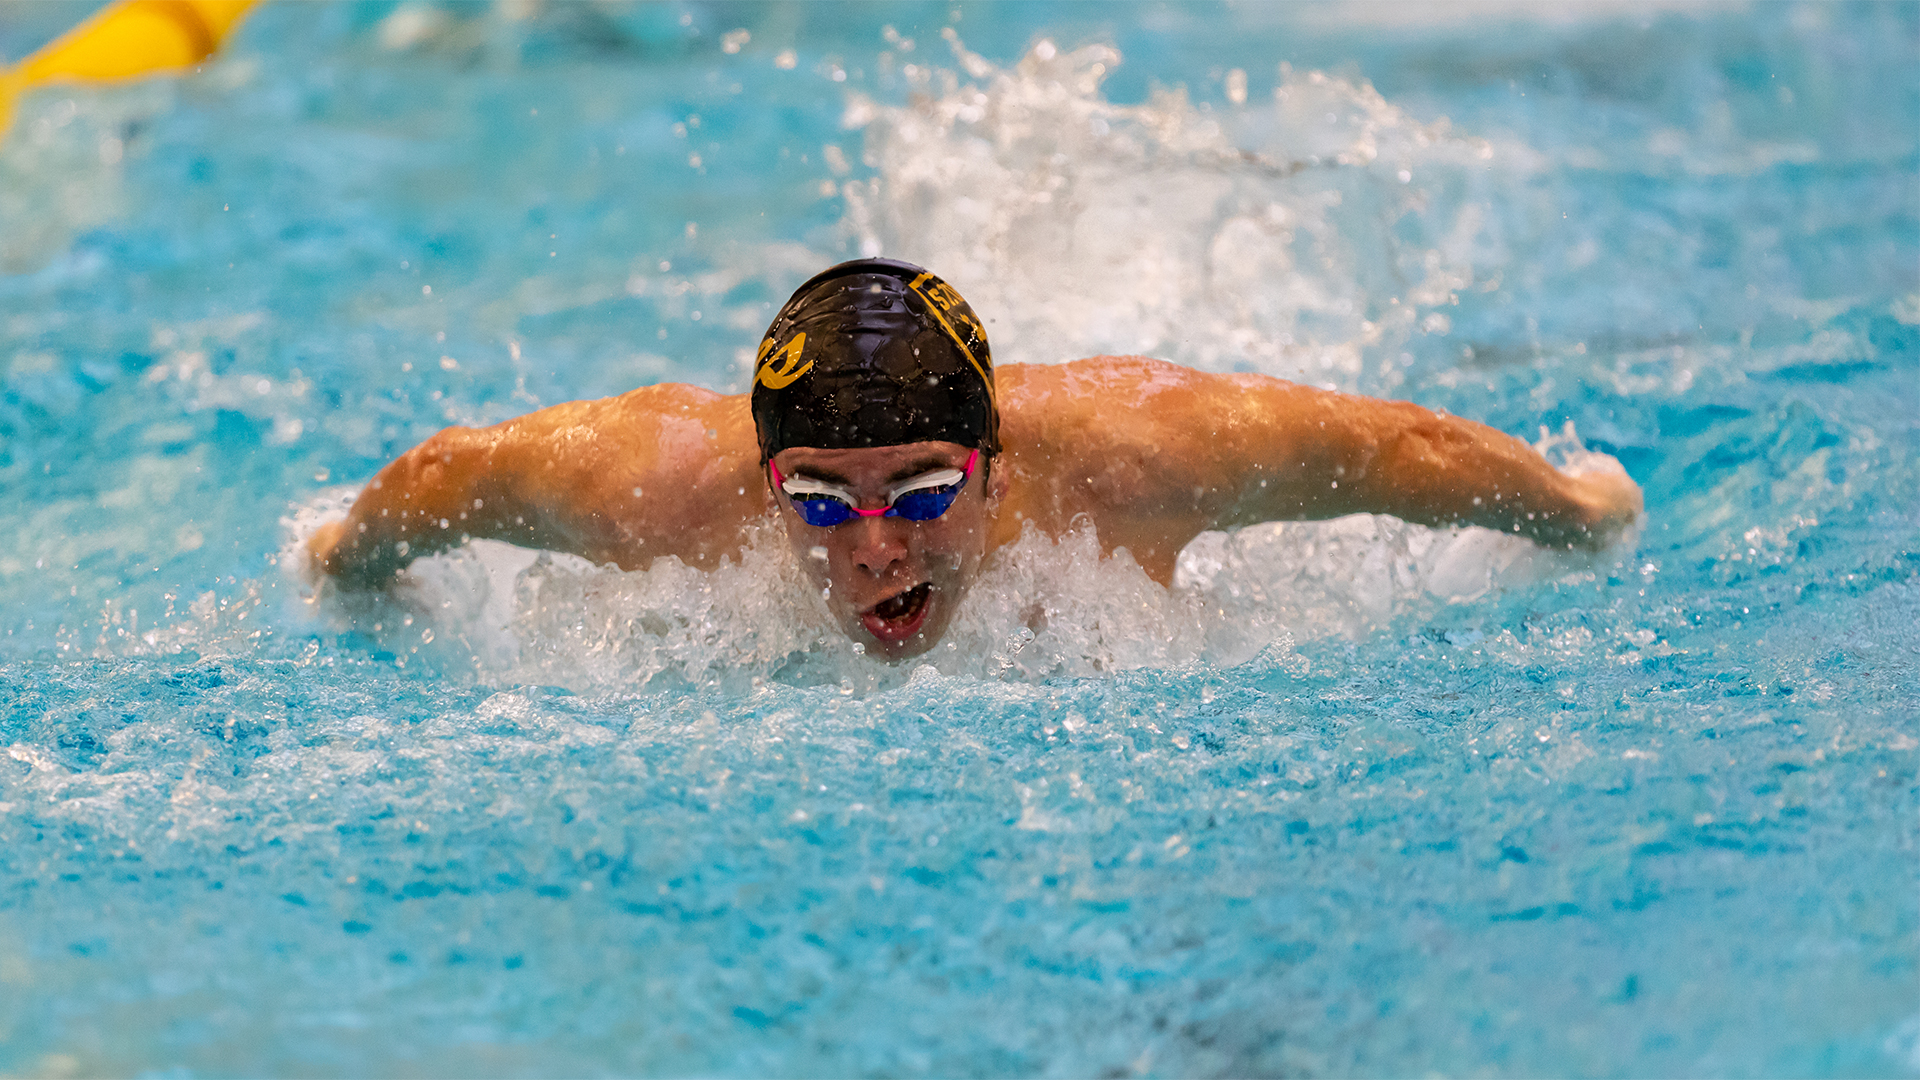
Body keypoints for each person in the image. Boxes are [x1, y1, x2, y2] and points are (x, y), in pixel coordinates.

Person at [307, 258, 1643, 659]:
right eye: (819, 500)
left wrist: (1579, 515)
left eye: (925, 491)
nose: (876, 546)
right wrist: (345, 559)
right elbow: (442, 481)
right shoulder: (649, 483)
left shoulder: (1144, 456)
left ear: (997, 466)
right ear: (766, 478)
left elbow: (1397, 449)